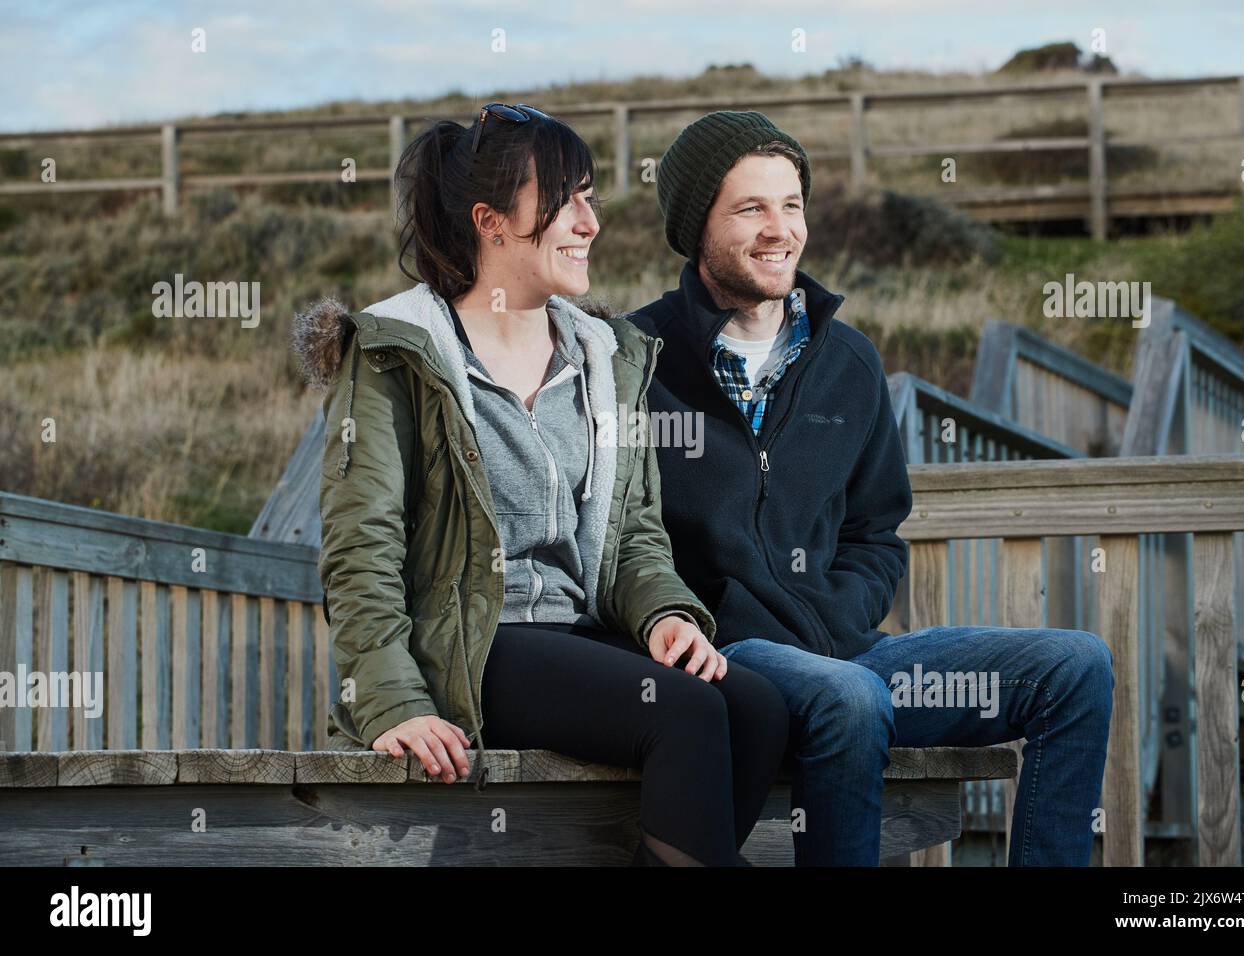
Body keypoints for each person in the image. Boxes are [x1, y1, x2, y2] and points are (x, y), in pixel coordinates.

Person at [293, 105, 789, 866]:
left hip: (584, 638)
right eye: (566, 201)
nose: (591, 222)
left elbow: (632, 534)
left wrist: (661, 614)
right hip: (475, 645)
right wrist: (391, 700)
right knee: (686, 715)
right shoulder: (399, 354)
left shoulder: (604, 357)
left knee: (754, 706)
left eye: (590, 196)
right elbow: (362, 547)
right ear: (492, 222)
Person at [629, 110, 1114, 866]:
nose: (779, 228)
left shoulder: (848, 361)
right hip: (729, 658)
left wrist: (837, 615)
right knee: (849, 700)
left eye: (792, 205)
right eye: (750, 208)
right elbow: (618, 534)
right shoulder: (636, 363)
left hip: (853, 654)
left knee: (1076, 666)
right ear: (697, 226)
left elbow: (875, 533)